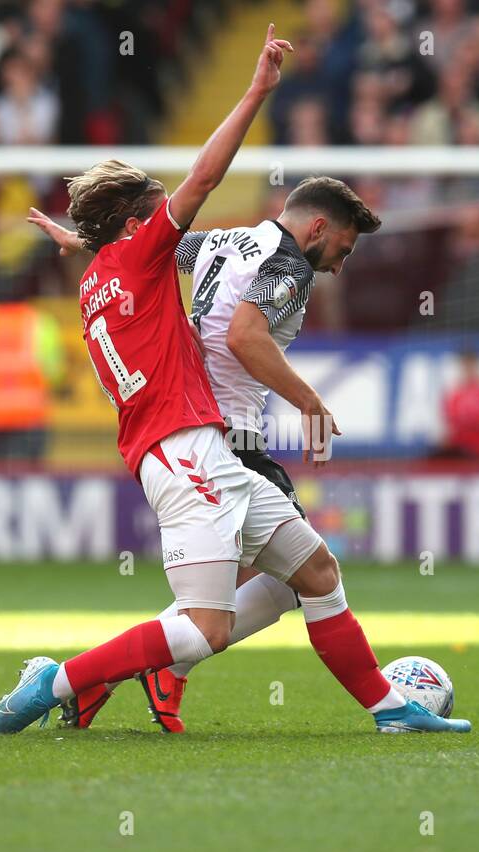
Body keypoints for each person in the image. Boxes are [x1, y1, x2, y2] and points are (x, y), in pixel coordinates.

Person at [0, 25, 469, 736]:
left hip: (199, 444)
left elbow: (148, 253)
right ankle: (54, 681)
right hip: (184, 446)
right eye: (156, 215)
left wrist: (79, 240)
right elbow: (205, 182)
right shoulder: (152, 255)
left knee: (317, 572)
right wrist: (256, 92)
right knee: (202, 626)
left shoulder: (100, 278)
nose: (168, 221)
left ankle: (392, 712)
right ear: (137, 228)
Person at [28, 175, 384, 732]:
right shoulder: (288, 266)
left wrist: (79, 240)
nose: (338, 266)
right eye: (341, 249)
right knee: (294, 578)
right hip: (223, 435)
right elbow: (245, 335)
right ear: (318, 227)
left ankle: (143, 672)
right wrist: (310, 401)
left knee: (276, 575)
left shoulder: (224, 241)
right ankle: (135, 670)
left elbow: (144, 246)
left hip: (199, 423)